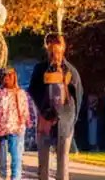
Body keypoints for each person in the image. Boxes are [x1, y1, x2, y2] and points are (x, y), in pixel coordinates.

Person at [28, 34, 83, 180]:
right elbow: (33, 91)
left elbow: (77, 95)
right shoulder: (40, 70)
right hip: (46, 120)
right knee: (46, 164)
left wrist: (71, 120)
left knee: (61, 163)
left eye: (57, 52)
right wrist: (44, 110)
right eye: (52, 52)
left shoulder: (70, 71)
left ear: (63, 50)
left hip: (63, 120)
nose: (55, 55)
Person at [0, 68, 35, 180]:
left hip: (16, 129)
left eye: (10, 76)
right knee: (4, 159)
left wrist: (28, 122)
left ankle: (15, 177)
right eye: (4, 76)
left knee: (16, 157)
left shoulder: (20, 93)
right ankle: (5, 176)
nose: (7, 78)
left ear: (15, 78)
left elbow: (26, 110)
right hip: (2, 130)